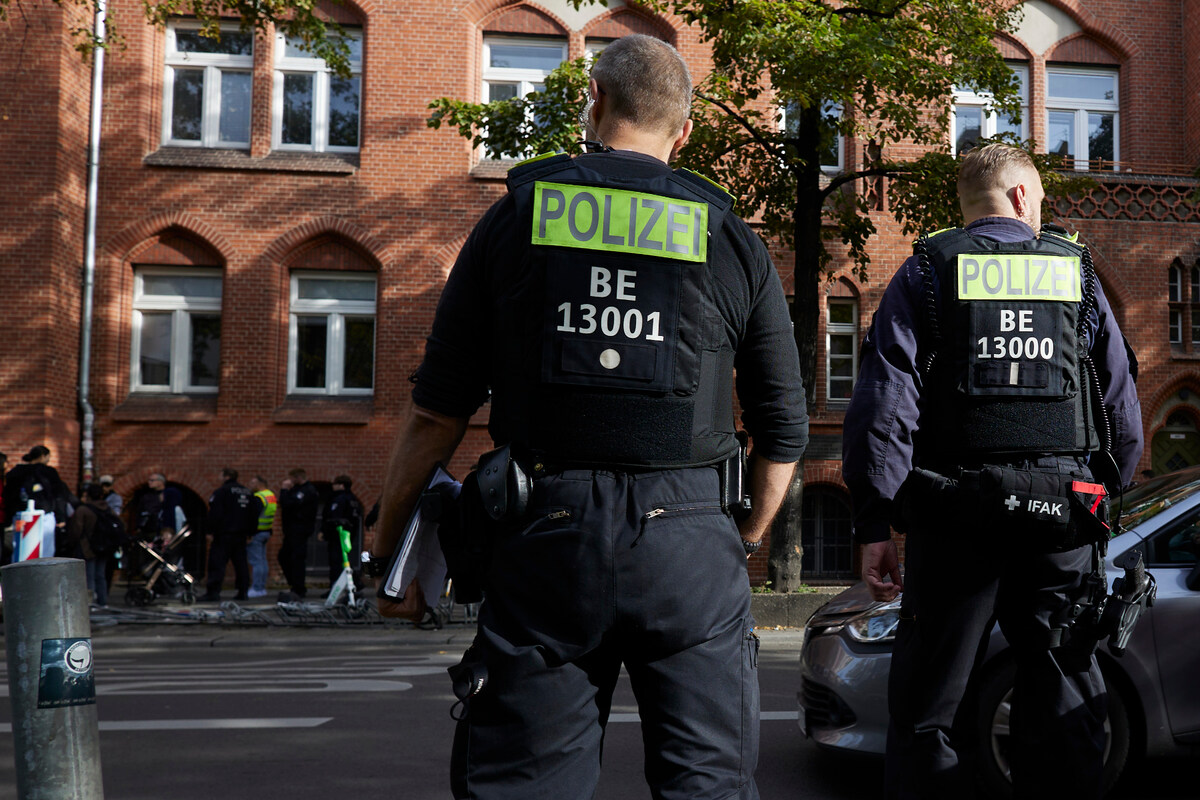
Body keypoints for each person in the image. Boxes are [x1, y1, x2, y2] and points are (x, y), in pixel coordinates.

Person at [371, 35, 807, 800]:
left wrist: (389, 544)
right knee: (708, 785)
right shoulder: (731, 238)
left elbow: (438, 411)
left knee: (523, 782)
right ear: (684, 133)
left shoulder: (515, 219)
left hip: (546, 536)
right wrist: (740, 536)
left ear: (594, 102)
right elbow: (785, 427)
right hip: (693, 537)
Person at [842, 143, 1144, 800]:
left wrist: (876, 521)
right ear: (1020, 197)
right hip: (1064, 515)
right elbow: (1121, 405)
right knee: (1064, 700)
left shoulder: (926, 270)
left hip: (955, 515)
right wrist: (1106, 495)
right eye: (1040, 197)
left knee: (928, 710)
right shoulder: (1078, 273)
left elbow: (884, 405)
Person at [2, 445, 79, 547]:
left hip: (20, 516)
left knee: (21, 549)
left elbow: (8, 495)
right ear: (43, 456)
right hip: (45, 516)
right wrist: (61, 517)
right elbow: (59, 496)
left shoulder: (16, 472)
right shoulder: (49, 472)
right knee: (44, 551)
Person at [203, 468, 258, 602]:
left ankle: (213, 592)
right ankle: (243, 591)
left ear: (225, 476)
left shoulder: (222, 492)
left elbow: (215, 513)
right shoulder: (247, 492)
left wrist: (210, 531)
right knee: (241, 563)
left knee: (217, 563)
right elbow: (254, 513)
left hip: (223, 534)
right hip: (241, 535)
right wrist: (251, 532)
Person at [64, 484, 115, 607]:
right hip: (104, 548)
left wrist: (70, 544)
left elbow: (76, 530)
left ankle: (89, 604)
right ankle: (103, 601)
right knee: (101, 575)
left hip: (86, 546)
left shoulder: (83, 510)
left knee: (88, 577)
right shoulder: (108, 509)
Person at [277, 467, 321, 600]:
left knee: (297, 559)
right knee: (284, 557)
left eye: (291, 478)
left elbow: (287, 504)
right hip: (291, 530)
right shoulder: (297, 490)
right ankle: (295, 585)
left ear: (297, 477)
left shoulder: (307, 491)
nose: (289, 481)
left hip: (300, 530)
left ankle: (298, 588)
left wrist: (284, 489)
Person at [321, 474, 362, 589]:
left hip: (338, 534)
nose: (333, 487)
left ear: (341, 485)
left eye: (335, 484)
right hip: (348, 534)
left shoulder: (339, 499)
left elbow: (333, 517)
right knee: (344, 559)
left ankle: (336, 587)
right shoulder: (353, 498)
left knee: (337, 561)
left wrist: (325, 531)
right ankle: (355, 583)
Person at [246, 475, 277, 599]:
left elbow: (253, 516)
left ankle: (257, 588)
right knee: (262, 561)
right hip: (266, 531)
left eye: (253, 483)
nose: (250, 485)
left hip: (257, 532)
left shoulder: (259, 497)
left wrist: (249, 533)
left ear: (260, 484)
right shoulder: (270, 495)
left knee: (256, 562)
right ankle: (262, 587)